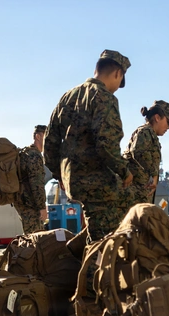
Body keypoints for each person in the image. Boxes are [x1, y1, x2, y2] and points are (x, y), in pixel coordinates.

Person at [44, 50, 133, 244]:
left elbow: (50, 142)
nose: (117, 88)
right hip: (97, 181)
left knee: (96, 228)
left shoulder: (67, 97)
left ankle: (82, 259)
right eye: (120, 82)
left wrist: (59, 175)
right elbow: (106, 143)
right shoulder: (105, 98)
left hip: (72, 180)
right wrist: (124, 171)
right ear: (117, 73)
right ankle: (96, 271)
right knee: (107, 240)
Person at [124, 100, 169, 206]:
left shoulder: (150, 135)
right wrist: (154, 175)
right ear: (157, 118)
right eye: (168, 122)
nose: (168, 127)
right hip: (135, 193)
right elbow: (138, 153)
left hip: (140, 193)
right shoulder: (145, 132)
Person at [14, 125, 49, 234]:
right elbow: (36, 184)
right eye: (46, 136)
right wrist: (42, 207)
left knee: (32, 236)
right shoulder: (34, 156)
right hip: (30, 204)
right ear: (38, 136)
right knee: (35, 238)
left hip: (24, 202)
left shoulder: (26, 153)